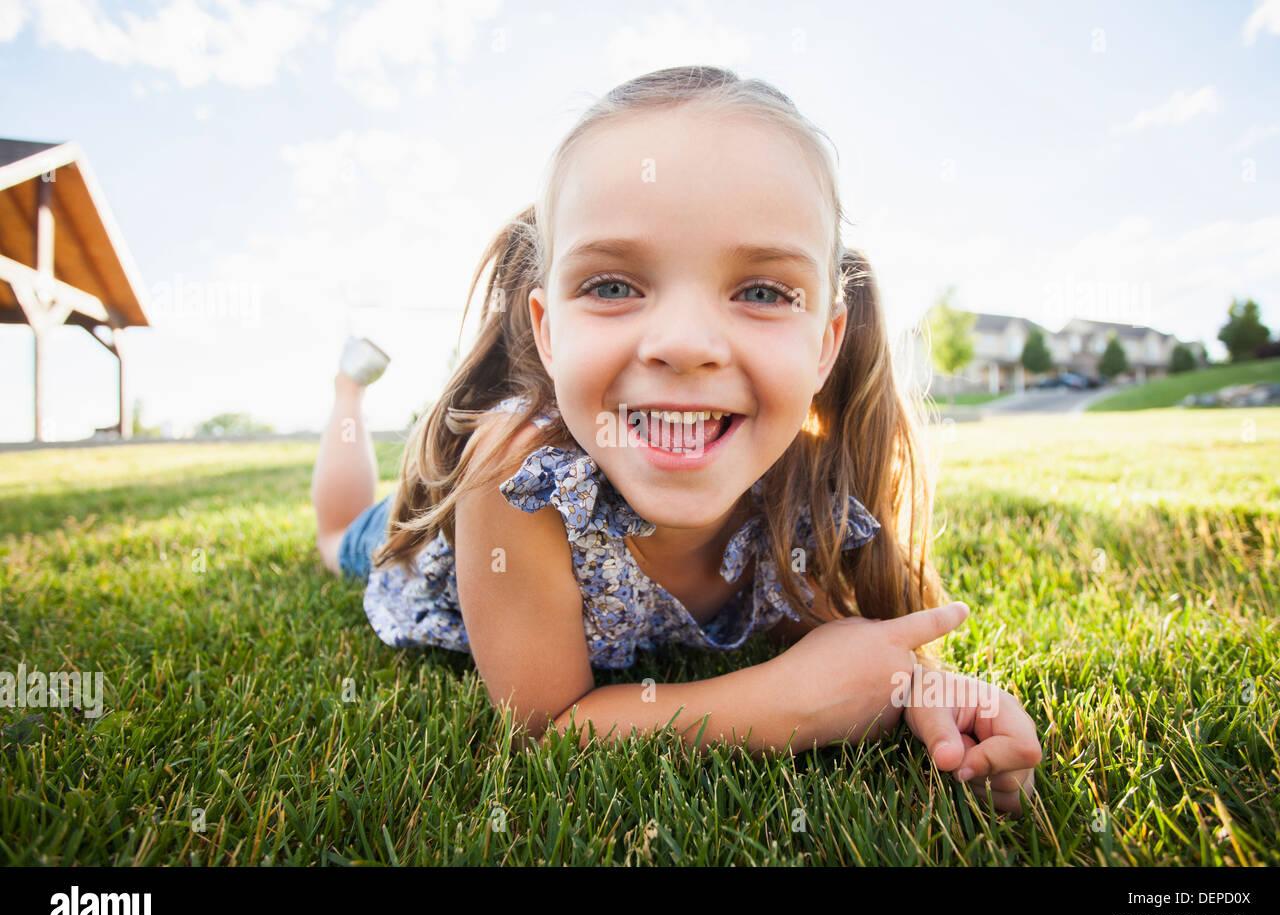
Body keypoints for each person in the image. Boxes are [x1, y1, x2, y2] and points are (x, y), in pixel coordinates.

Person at [309, 66, 1041, 814]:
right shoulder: (516, 474)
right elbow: (546, 728)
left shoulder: (796, 475)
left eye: (761, 292)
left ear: (825, 344)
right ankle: (347, 391)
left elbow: (826, 633)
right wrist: (785, 703)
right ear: (547, 330)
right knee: (342, 539)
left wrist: (920, 686)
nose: (685, 344)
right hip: (436, 540)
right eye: (613, 286)